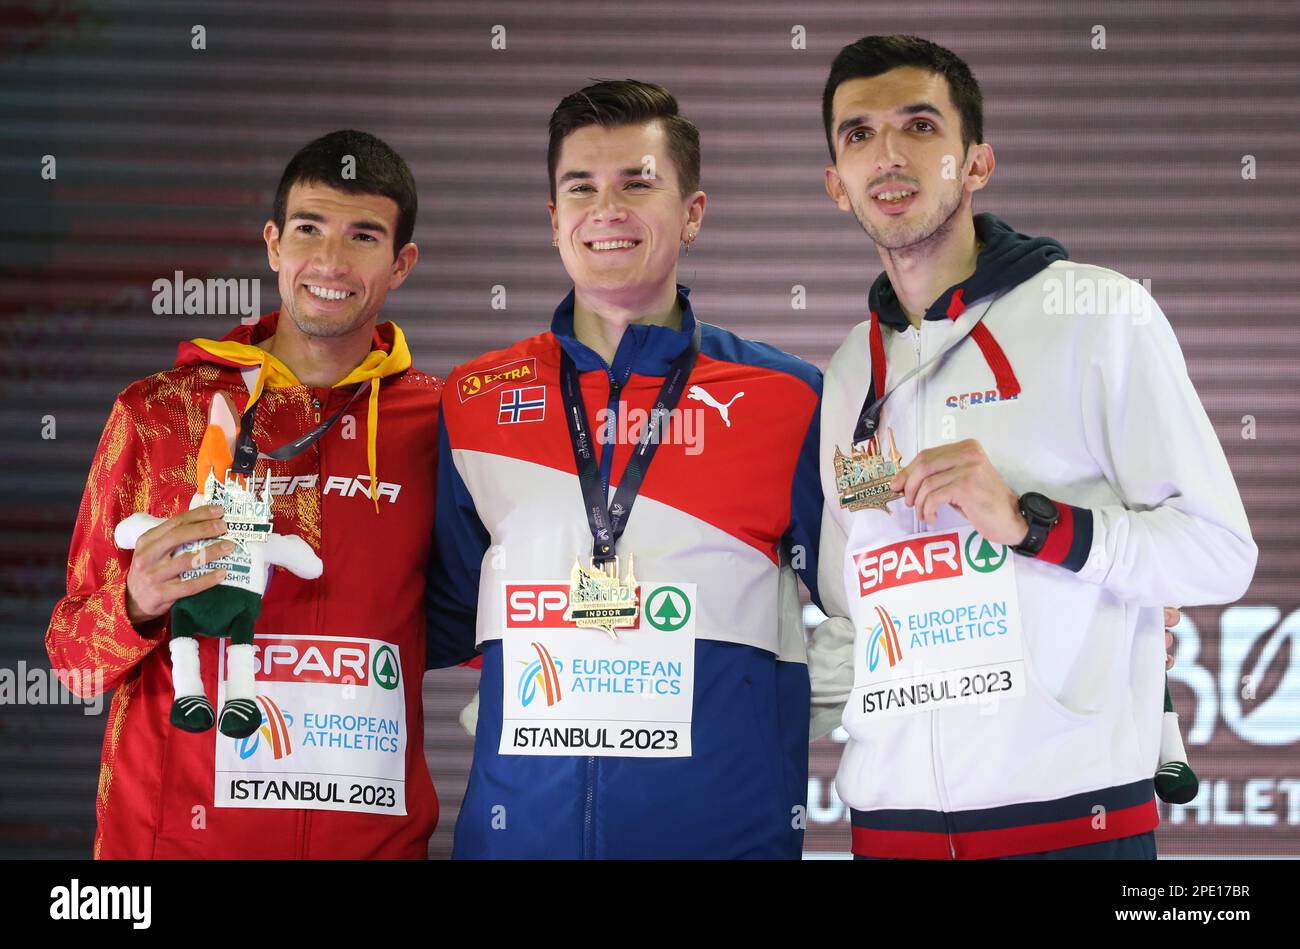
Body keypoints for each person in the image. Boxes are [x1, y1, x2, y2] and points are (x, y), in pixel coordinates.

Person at [809, 35, 1256, 859]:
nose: (889, 155)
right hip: (888, 832)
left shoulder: (1097, 315)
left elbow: (1220, 552)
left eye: (919, 125)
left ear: (975, 163)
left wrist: (1034, 523)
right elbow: (855, 615)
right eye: (858, 134)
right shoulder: (846, 373)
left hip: (1070, 827)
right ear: (837, 185)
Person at [426, 80, 825, 858]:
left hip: (722, 841)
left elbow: (856, 611)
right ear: (554, 221)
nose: (606, 209)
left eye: (637, 183)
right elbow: (434, 616)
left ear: (692, 213)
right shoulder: (474, 398)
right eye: (582, 187)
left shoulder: (787, 398)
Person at [46, 130, 448, 858]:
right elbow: (73, 661)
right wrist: (135, 601)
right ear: (272, 243)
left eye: (363, 235)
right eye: (308, 229)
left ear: (401, 263)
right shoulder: (158, 412)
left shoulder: (442, 424)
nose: (330, 261)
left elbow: (491, 622)